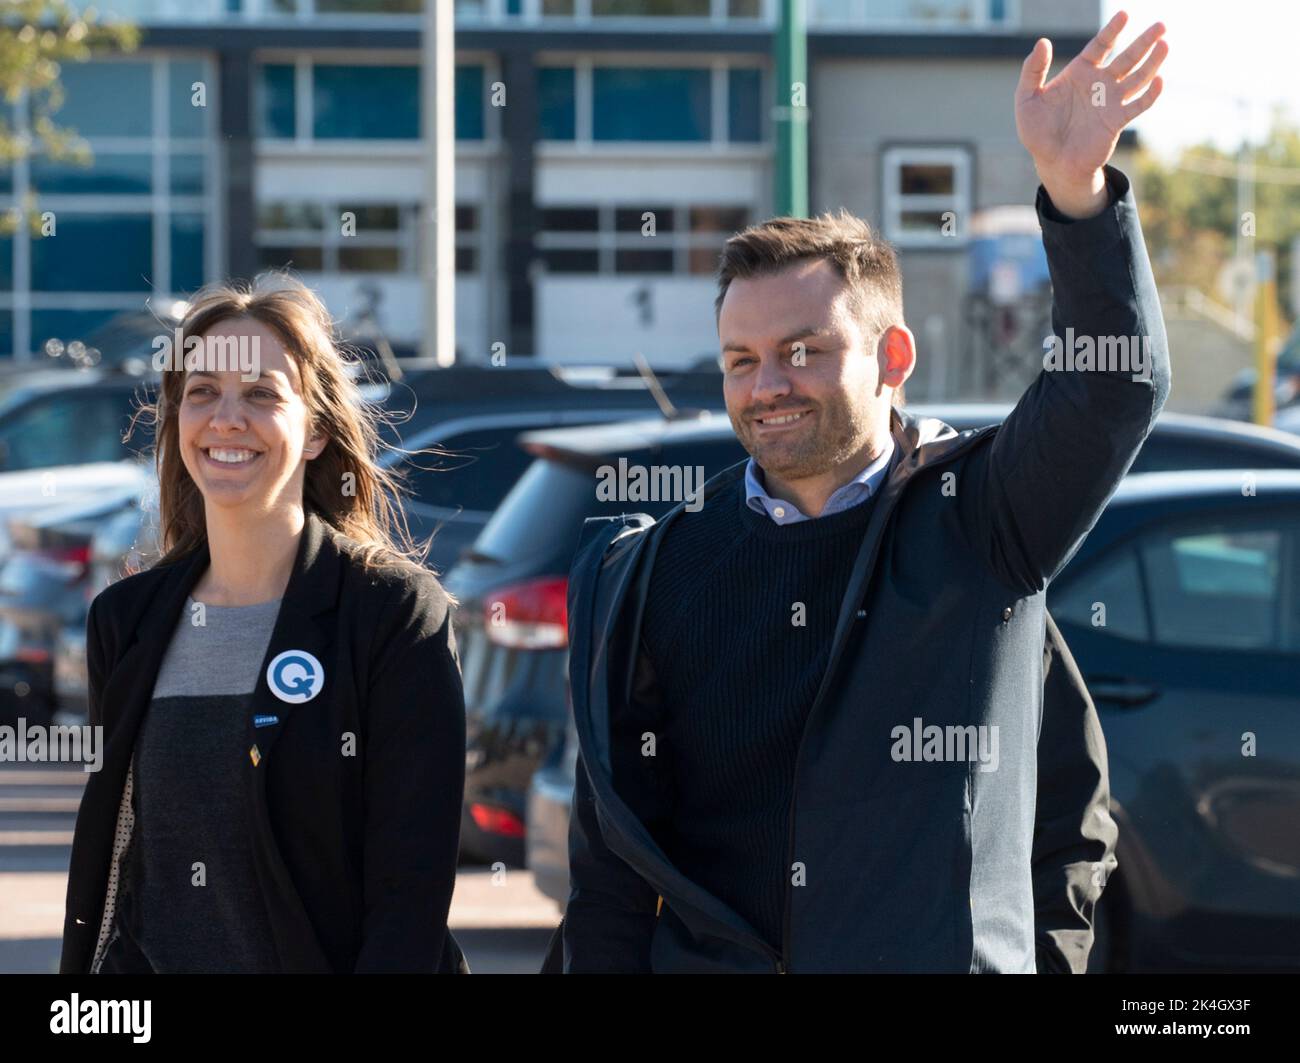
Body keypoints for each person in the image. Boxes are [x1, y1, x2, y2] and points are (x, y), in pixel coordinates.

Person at [554, 11, 1167, 973]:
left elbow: (1113, 384)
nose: (768, 385)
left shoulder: (985, 524)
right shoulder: (650, 572)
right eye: (741, 359)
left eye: (804, 352)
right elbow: (613, 881)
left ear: (893, 358)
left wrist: (1075, 193)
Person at [59, 274, 468, 974]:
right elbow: (134, 866)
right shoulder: (124, 621)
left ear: (314, 431)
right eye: (202, 392)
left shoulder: (392, 614)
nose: (225, 417)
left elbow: (408, 899)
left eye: (259, 393)